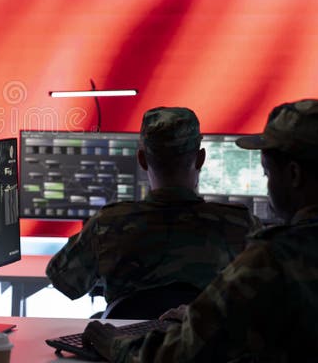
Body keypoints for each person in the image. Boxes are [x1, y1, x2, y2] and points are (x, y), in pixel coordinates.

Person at [85, 99, 318, 362]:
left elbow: (177, 357)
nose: (268, 188)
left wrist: (115, 344)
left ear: (294, 175)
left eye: (267, 174)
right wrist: (207, 318)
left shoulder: (273, 260)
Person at [46, 107, 260, 315]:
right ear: (200, 159)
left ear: (141, 160)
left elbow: (62, 280)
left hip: (126, 338)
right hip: (205, 339)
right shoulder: (241, 225)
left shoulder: (107, 224)